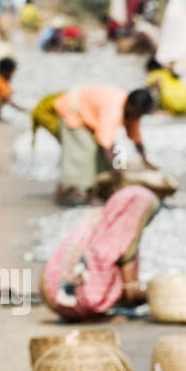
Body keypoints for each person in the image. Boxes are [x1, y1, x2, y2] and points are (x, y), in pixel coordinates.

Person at [41, 184, 160, 319]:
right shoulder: (120, 240)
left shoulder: (96, 221)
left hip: (51, 287)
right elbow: (131, 292)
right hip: (73, 303)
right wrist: (155, 294)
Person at [53, 85, 155, 206]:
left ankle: (94, 191)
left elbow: (136, 139)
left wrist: (146, 161)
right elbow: (105, 144)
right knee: (85, 150)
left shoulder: (133, 112)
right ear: (131, 105)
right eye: (138, 113)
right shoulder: (114, 109)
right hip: (72, 109)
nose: (138, 117)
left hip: (88, 114)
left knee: (105, 154)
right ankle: (72, 192)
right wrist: (115, 171)